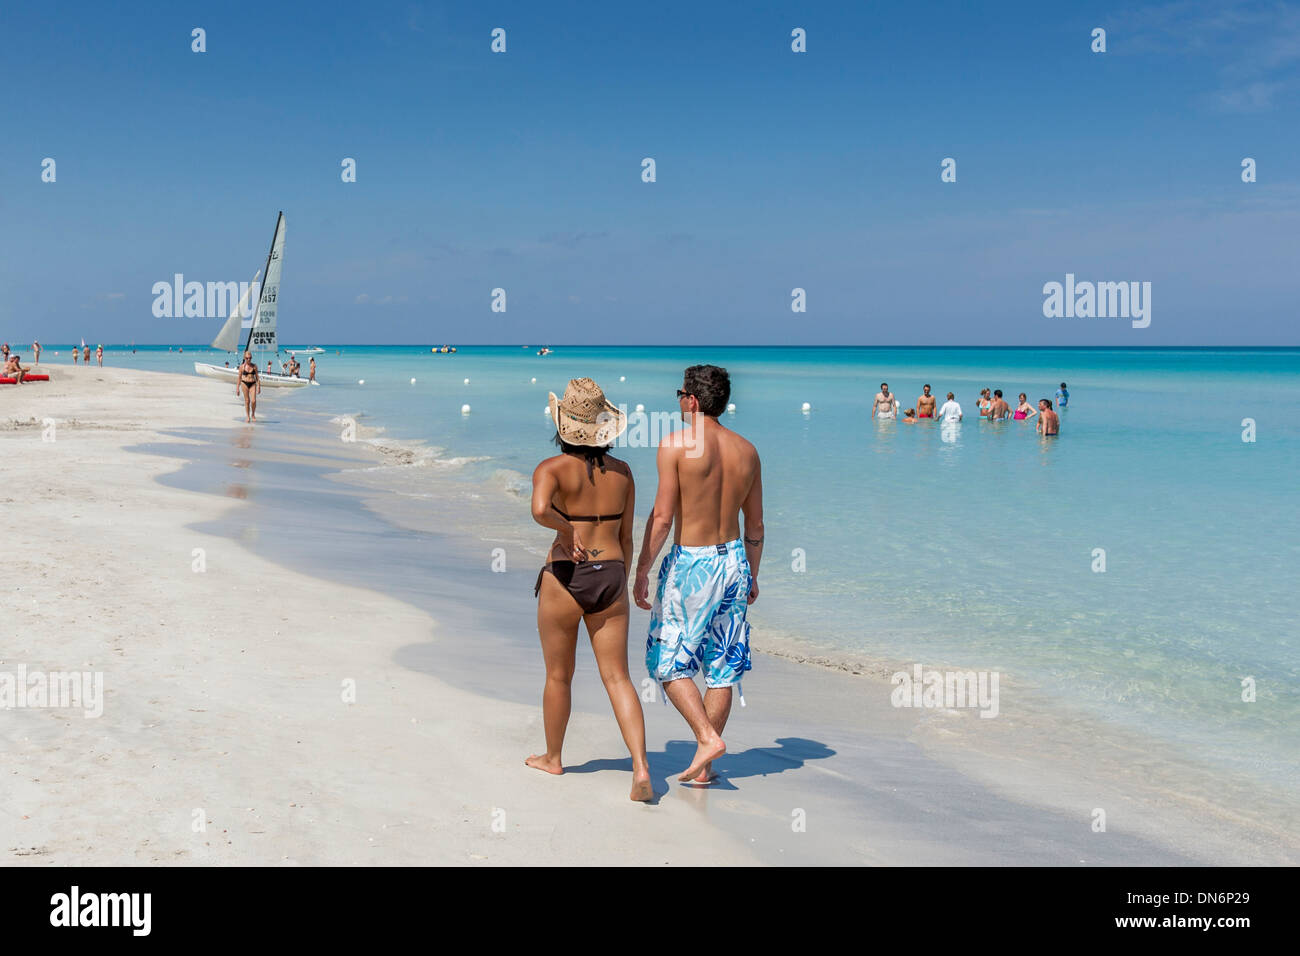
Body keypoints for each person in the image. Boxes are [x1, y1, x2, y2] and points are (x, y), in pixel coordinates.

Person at [634, 365, 763, 785]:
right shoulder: (747, 451)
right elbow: (755, 528)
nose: (678, 401)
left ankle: (707, 739)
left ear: (691, 399)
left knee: (669, 661)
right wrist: (753, 575)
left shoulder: (675, 446)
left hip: (693, 563)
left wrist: (642, 569)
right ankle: (704, 769)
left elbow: (662, 518)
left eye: (679, 394)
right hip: (734, 561)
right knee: (721, 668)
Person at [528, 378, 652, 802]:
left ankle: (553, 757)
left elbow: (540, 510)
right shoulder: (625, 473)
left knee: (559, 675)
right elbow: (629, 535)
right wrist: (631, 577)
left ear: (563, 425)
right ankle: (640, 767)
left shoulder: (550, 469)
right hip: (613, 573)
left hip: (567, 574)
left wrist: (567, 528)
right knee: (618, 677)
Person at [237, 350, 261, 423]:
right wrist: (237, 388)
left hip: (253, 383)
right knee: (247, 401)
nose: (249, 359)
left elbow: (257, 377)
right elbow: (239, 378)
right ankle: (248, 416)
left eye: (250, 358)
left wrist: (259, 386)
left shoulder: (254, 366)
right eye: (247, 358)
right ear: (244, 358)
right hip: (244, 383)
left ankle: (253, 414)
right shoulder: (242, 367)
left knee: (253, 401)